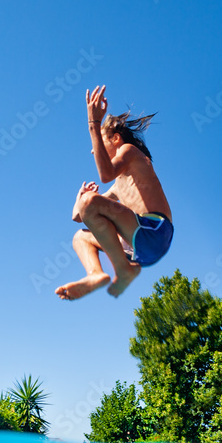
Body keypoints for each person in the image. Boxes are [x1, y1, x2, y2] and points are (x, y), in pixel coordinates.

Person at [56, 85, 173, 300]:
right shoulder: (119, 185)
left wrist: (94, 124)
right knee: (79, 238)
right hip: (139, 251)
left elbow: (105, 174)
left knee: (91, 202)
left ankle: (122, 268)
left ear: (116, 139)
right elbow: (79, 216)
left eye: (100, 140)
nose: (93, 149)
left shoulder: (130, 152)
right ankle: (95, 274)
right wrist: (78, 197)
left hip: (155, 230)